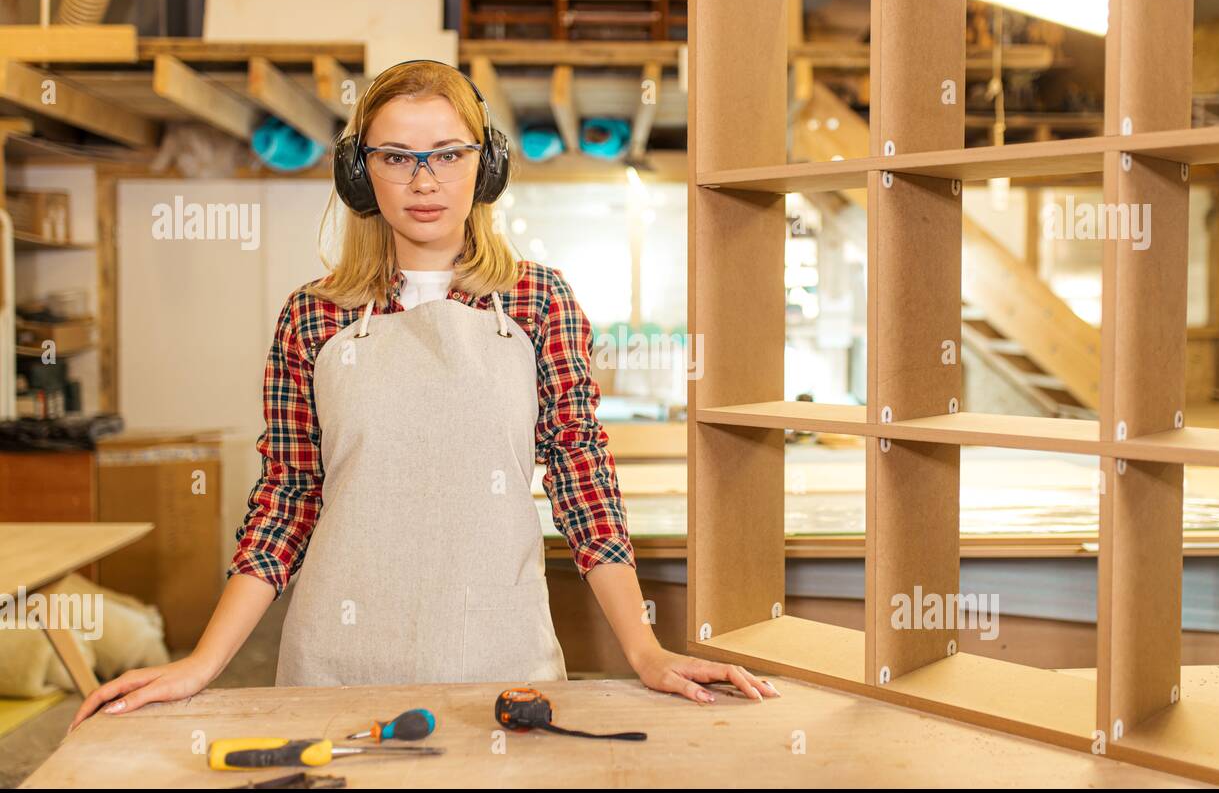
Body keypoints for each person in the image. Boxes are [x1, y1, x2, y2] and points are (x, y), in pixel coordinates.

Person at [69, 60, 776, 732]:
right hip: (335, 664)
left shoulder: (538, 301)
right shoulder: (312, 316)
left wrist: (646, 652)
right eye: (396, 156)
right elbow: (287, 500)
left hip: (499, 659)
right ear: (360, 173)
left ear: (485, 165)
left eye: (447, 153)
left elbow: (582, 479)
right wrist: (203, 664)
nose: (423, 179)